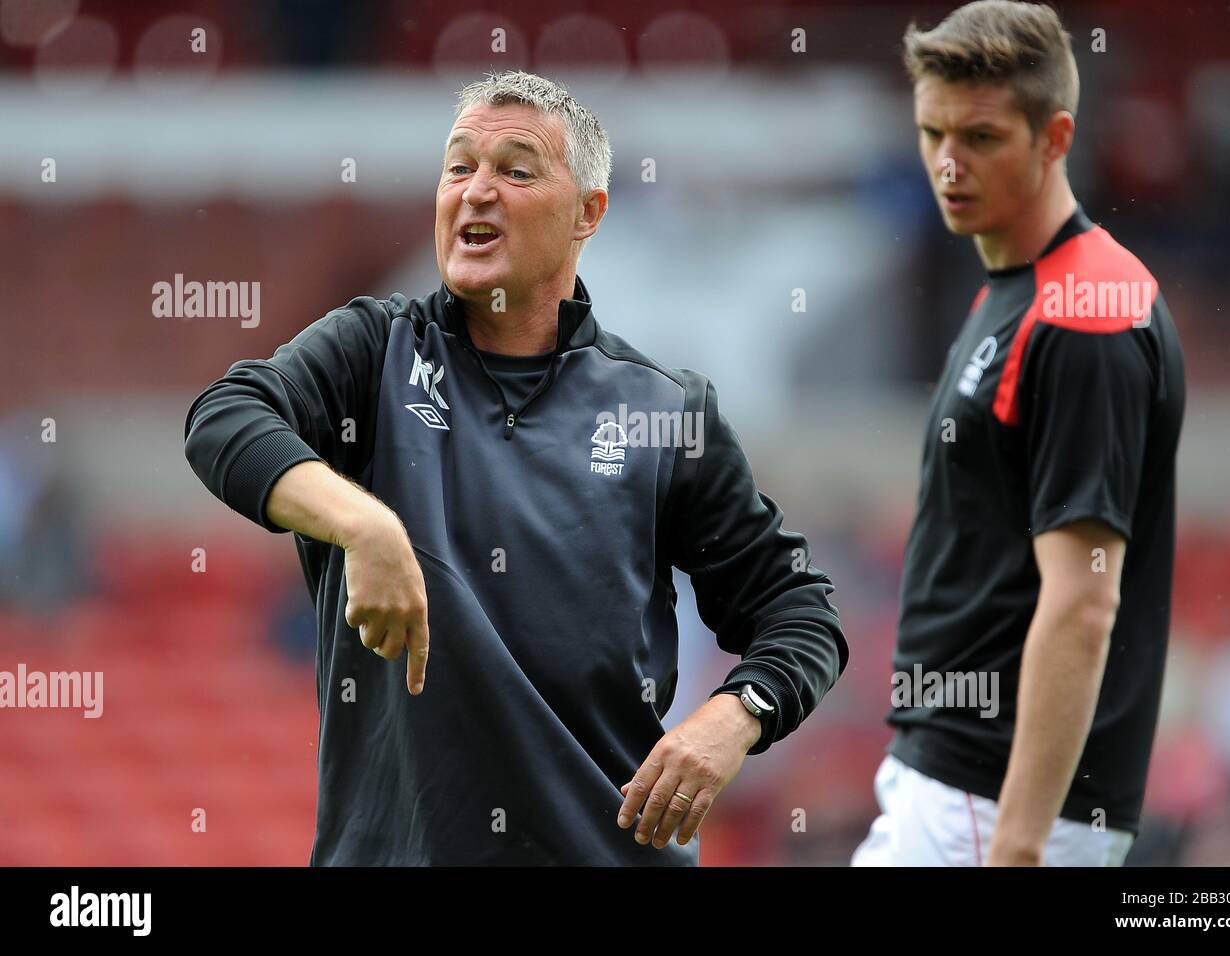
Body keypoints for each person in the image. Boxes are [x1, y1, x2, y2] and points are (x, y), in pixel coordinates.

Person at [184, 70, 847, 865]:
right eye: (459, 166)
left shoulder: (663, 410)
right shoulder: (372, 351)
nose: (476, 191)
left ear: (588, 215)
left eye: (516, 170)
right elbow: (225, 416)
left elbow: (800, 611)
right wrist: (362, 522)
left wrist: (737, 714)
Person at [852, 1, 1185, 866]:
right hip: (955, 787)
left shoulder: (1086, 311)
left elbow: (1084, 599)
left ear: (1055, 136)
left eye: (981, 137)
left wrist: (1019, 846)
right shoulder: (1017, 286)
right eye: (932, 133)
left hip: (992, 805)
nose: (948, 163)